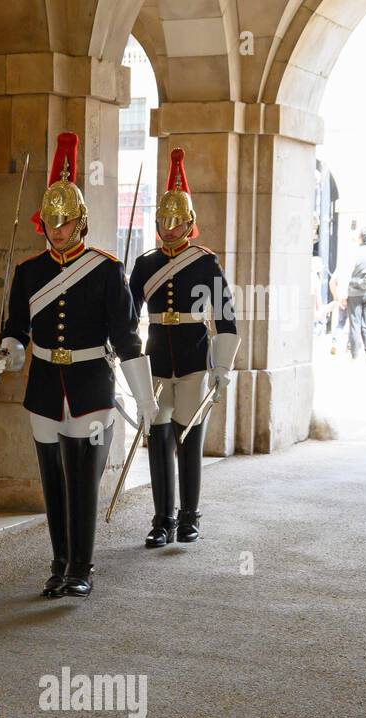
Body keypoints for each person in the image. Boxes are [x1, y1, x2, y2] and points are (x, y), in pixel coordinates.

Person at [0, 132, 154, 598]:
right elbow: (16, 327)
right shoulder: (28, 272)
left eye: (64, 224)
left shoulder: (105, 270)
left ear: (80, 222)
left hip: (89, 386)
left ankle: (82, 566)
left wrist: (143, 399)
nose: (56, 231)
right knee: (52, 482)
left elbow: (126, 338)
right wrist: (8, 352)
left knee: (82, 479)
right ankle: (59, 562)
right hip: (44, 385)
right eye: (51, 223)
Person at [128, 148, 240, 546]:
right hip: (156, 358)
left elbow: (226, 318)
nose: (169, 227)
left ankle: (190, 516)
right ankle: (162, 519)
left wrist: (222, 366)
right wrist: (117, 350)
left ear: (189, 223)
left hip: (194, 358)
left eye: (176, 221)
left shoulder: (205, 263)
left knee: (189, 440)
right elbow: (126, 316)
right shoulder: (144, 265)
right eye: (163, 220)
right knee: (158, 441)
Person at [345, 228, 366, 360]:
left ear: (360, 238)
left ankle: (355, 354)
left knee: (355, 324)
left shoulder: (353, 252)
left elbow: (346, 273)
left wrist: (356, 284)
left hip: (354, 292)